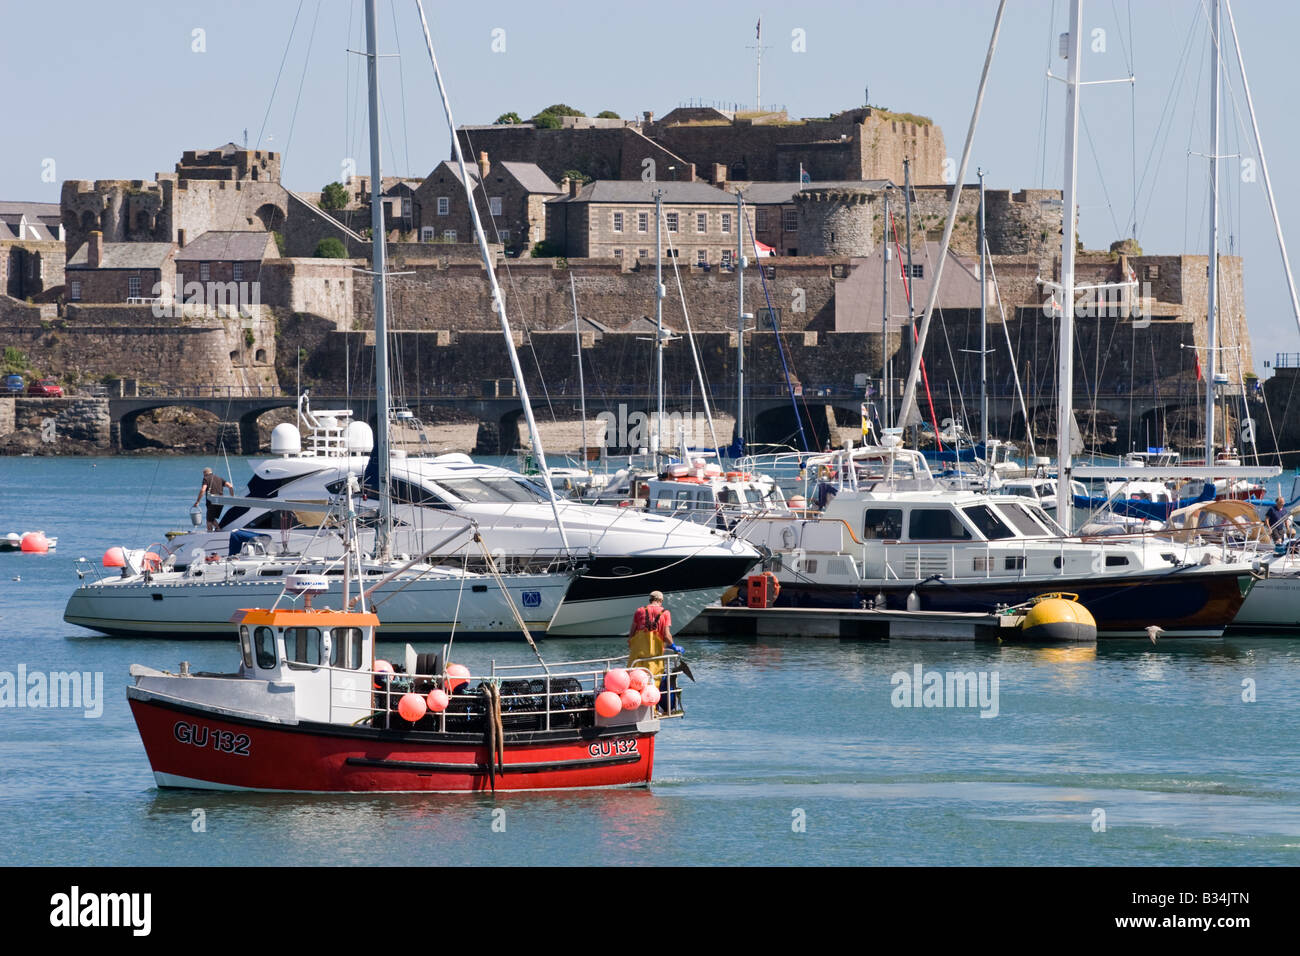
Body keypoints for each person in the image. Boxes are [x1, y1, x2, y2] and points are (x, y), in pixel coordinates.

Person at [627, 590, 683, 713]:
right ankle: (652, 709)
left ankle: (633, 705)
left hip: (638, 654)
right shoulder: (665, 613)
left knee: (635, 680)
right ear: (660, 601)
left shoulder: (639, 611)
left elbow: (631, 633)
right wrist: (673, 646)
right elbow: (667, 635)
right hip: (654, 655)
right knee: (654, 681)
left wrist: (632, 645)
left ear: (650, 600)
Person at [195, 467, 233, 531]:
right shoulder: (219, 478)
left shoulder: (206, 479)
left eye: (203, 474)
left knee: (208, 520)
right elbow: (230, 486)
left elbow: (203, 489)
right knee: (211, 518)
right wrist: (232, 497)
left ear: (205, 473)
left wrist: (198, 501)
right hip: (221, 502)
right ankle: (218, 529)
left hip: (212, 502)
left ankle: (209, 533)